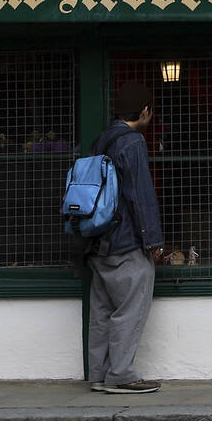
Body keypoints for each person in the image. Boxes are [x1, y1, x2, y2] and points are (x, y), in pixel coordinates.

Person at [86, 81, 164, 395]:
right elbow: (139, 194)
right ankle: (120, 375)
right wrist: (153, 239)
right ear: (144, 111)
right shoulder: (132, 142)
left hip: (98, 238)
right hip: (125, 240)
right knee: (130, 308)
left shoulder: (103, 139)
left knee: (102, 311)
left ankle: (99, 374)